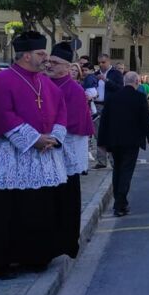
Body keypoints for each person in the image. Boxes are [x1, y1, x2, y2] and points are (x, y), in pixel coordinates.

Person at [0, 32, 71, 280]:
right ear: (26, 55)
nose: (45, 58)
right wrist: (34, 139)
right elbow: (2, 113)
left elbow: (61, 111)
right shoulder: (3, 81)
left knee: (37, 206)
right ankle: (0, 262)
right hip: (10, 156)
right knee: (7, 208)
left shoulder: (45, 82)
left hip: (42, 154)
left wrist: (54, 137)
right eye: (41, 54)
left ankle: (36, 256)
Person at [46, 42, 94, 256]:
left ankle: (66, 243)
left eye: (55, 63)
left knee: (66, 200)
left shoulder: (73, 88)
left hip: (66, 151)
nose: (50, 65)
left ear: (67, 67)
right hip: (48, 148)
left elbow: (72, 123)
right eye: (49, 61)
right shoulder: (45, 83)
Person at [98, 71, 149, 216]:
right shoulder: (139, 97)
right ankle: (120, 204)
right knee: (126, 171)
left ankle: (119, 202)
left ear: (124, 81)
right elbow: (146, 119)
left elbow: (104, 120)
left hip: (114, 140)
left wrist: (102, 142)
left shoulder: (114, 97)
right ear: (137, 82)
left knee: (117, 169)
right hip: (132, 141)